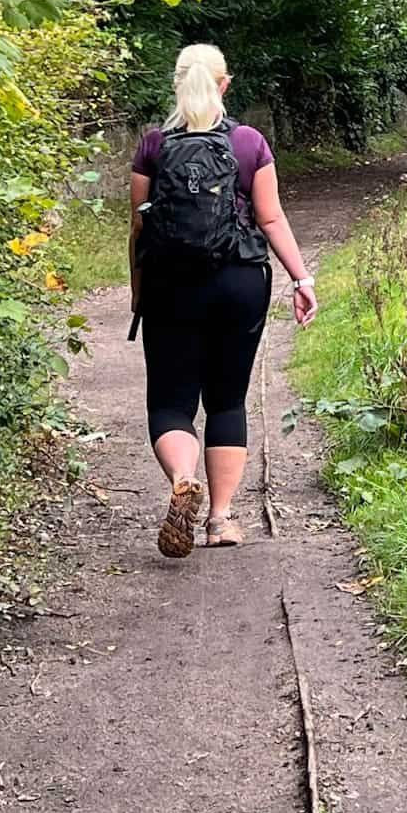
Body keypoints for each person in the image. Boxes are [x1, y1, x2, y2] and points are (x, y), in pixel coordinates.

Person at [129, 43, 317, 557]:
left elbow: (140, 228)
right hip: (239, 283)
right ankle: (220, 519)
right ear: (224, 85)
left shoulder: (152, 145)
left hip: (170, 286)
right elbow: (271, 218)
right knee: (227, 401)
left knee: (171, 403)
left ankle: (183, 478)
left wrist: (139, 294)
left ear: (177, 84)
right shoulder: (249, 143)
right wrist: (301, 280)